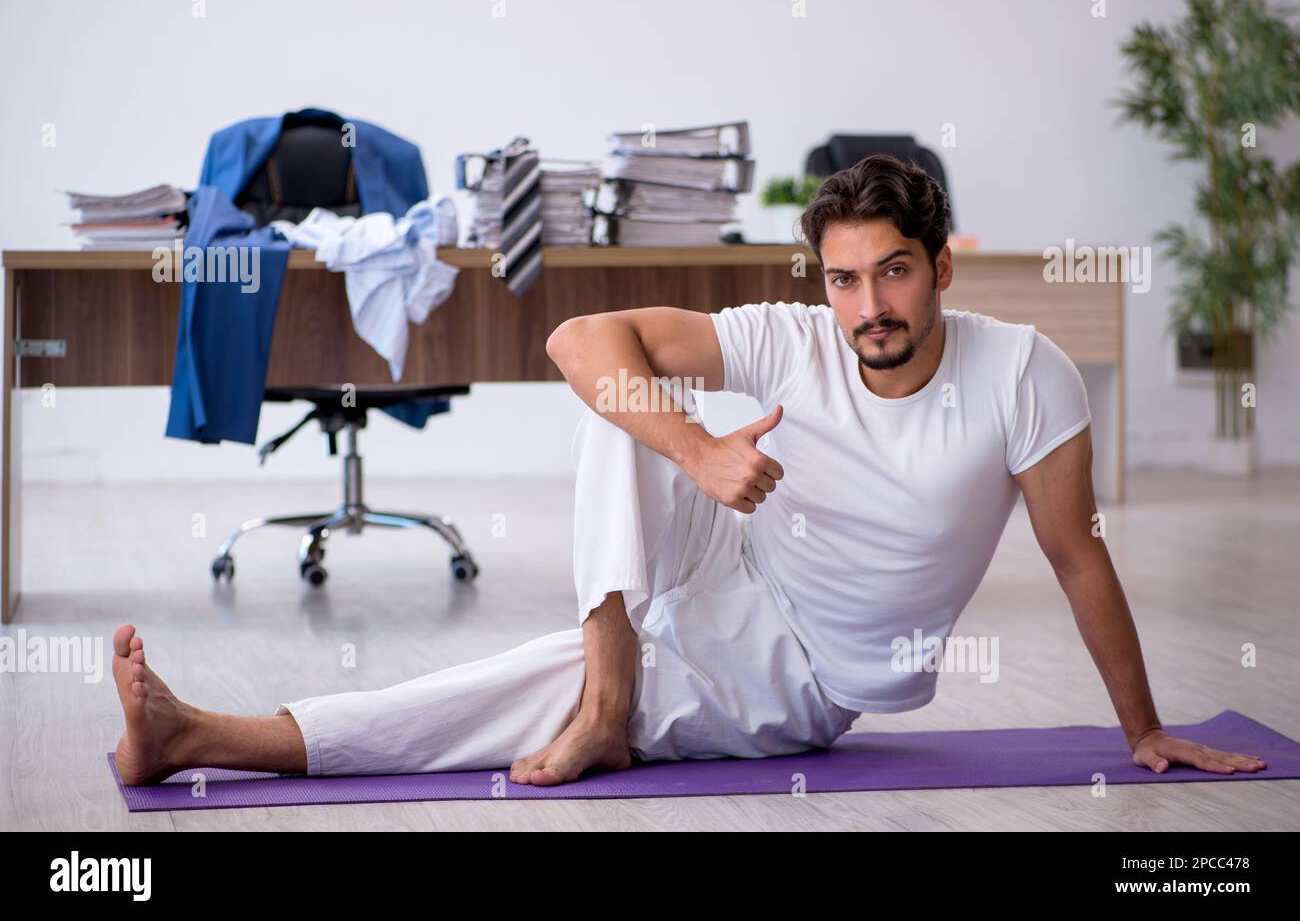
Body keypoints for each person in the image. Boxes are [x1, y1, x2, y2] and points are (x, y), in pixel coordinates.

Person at [110, 154, 1267, 787]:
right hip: (728, 549)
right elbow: (578, 342)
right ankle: (609, 702)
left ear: (941, 270)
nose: (868, 308)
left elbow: (1077, 559)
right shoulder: (796, 334)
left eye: (895, 274)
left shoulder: (1024, 374)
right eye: (844, 279)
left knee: (510, 697)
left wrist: (1142, 729)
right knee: (616, 404)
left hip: (796, 674)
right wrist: (700, 449)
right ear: (823, 279)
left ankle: (205, 737)